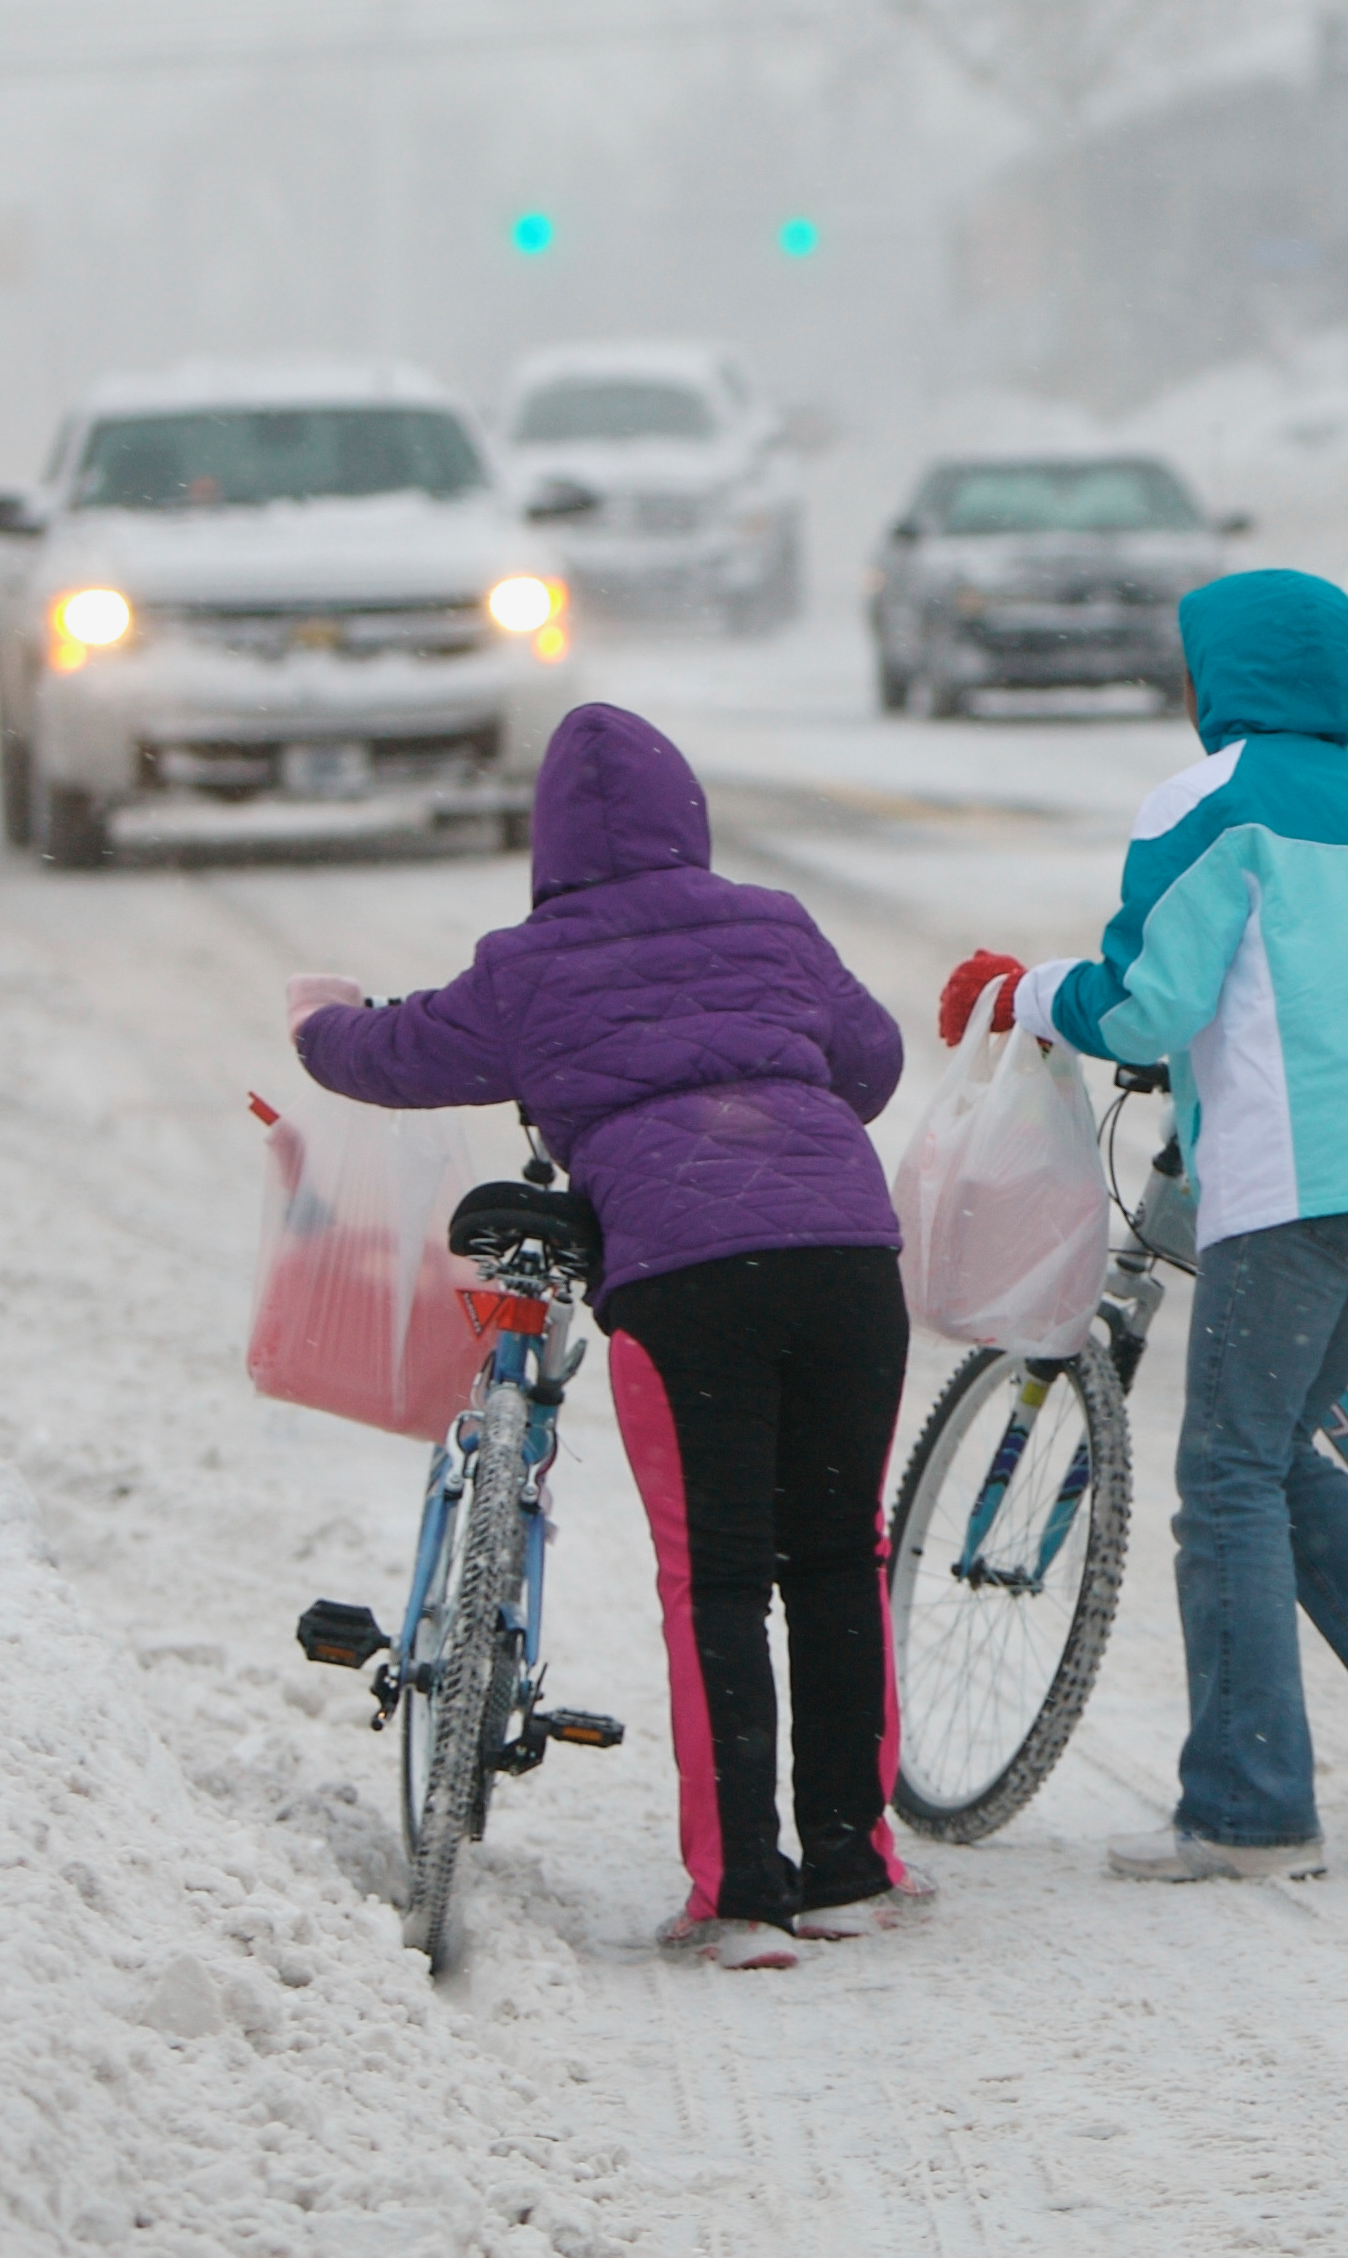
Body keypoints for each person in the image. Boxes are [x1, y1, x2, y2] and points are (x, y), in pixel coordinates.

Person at [290, 703, 919, 1971]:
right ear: (689, 812)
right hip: (851, 1257)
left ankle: (744, 1895)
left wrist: (320, 1024)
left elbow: (393, 1055)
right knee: (841, 1557)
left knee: (721, 1577)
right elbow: (872, 1061)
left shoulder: (528, 961)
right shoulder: (772, 922)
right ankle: (854, 1864)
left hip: (688, 1282)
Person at [945, 567, 1348, 1883]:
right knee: (1271, 1455)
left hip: (1295, 1178)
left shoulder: (1213, 801)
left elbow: (1150, 1002)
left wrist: (1029, 992)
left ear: (1209, 681)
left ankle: (1248, 1808)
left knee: (1222, 1471)